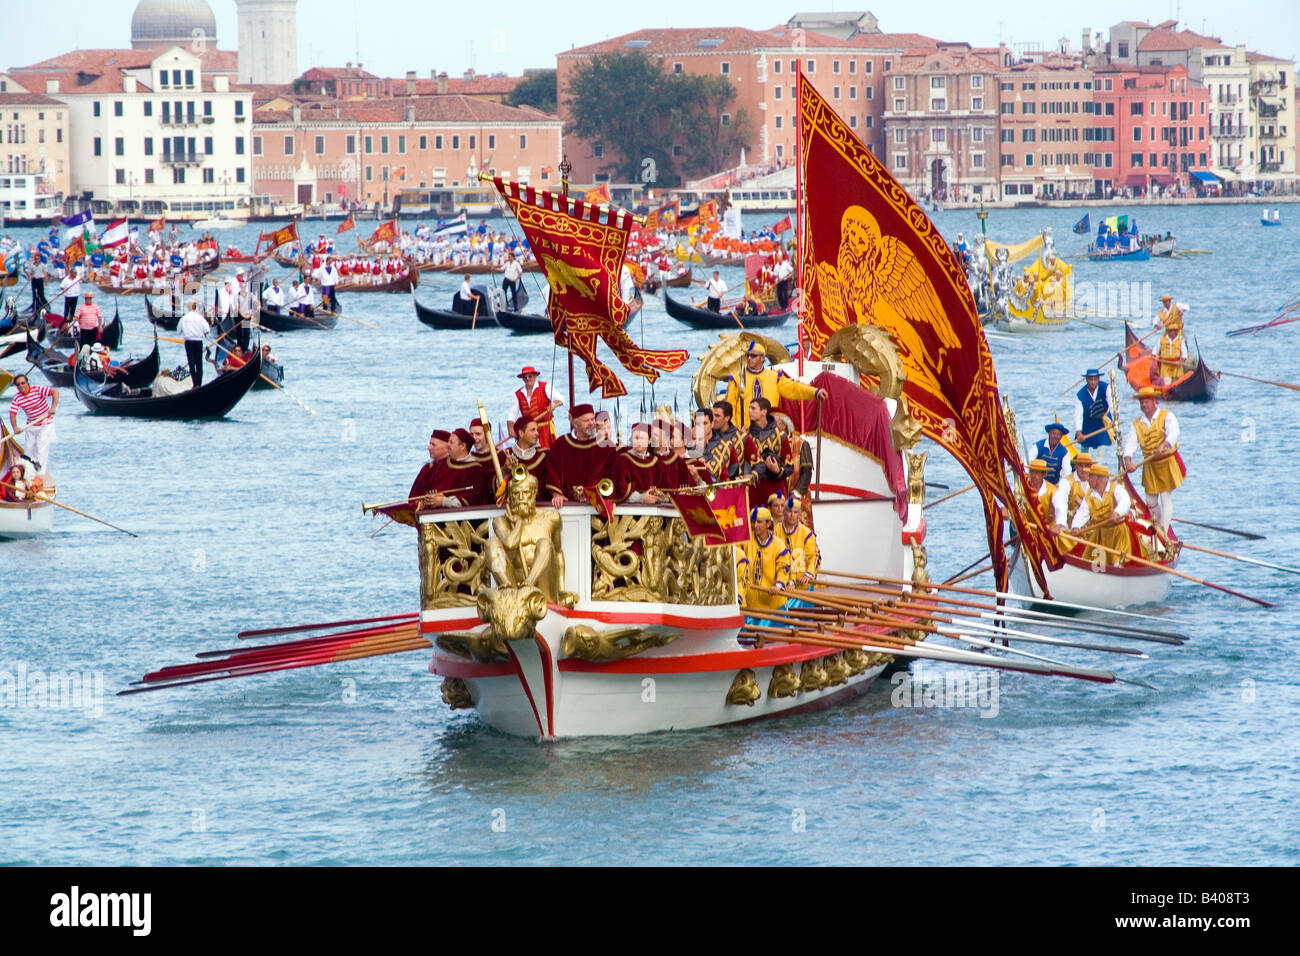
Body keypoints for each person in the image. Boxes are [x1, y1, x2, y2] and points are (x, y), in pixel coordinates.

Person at [722, 340, 826, 431]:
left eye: (753, 356)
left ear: (762, 358)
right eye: (747, 355)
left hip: (769, 430)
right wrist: (735, 430)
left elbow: (794, 388)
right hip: (744, 432)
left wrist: (814, 392)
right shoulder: (736, 379)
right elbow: (729, 407)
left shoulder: (774, 377)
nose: (749, 358)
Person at [1122, 386, 1184, 533]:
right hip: (1150, 464)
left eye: (1147, 402)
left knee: (1165, 496)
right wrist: (1128, 461)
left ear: (1154, 402)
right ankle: (1159, 524)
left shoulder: (1166, 416)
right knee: (1150, 501)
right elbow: (1130, 443)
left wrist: (1163, 445)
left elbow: (1174, 432)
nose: (1144, 405)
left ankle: (1163, 529)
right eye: (1142, 403)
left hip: (1166, 462)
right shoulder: (1137, 424)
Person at [543, 403, 618, 508]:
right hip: (567, 505)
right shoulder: (561, 444)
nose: (591, 423)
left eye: (592, 419)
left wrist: (592, 492)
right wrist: (557, 494)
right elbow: (552, 471)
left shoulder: (607, 446)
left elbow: (612, 475)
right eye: (586, 421)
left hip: (596, 506)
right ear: (575, 424)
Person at [735, 506, 793, 632]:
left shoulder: (778, 545)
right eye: (753, 522)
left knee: (775, 641)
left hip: (773, 604)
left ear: (768, 524)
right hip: (751, 605)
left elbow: (784, 568)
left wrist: (779, 584)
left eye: (759, 522)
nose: (755, 525)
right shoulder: (746, 541)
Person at [1069, 462, 1133, 566]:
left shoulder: (1115, 488)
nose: (1088, 479)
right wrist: (1076, 526)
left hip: (1117, 533)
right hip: (1100, 534)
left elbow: (1125, 501)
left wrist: (1117, 513)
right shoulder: (1089, 494)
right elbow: (1083, 512)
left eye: (1090, 476)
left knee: (1118, 562)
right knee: (1094, 563)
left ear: (1097, 478)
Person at [743, 396, 792, 508]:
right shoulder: (745, 435)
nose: (749, 411)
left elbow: (790, 468)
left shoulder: (781, 436)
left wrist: (778, 470)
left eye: (753, 408)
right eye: (749, 408)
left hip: (775, 487)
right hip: (754, 489)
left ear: (764, 412)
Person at [7, 374, 58, 472]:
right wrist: (15, 428)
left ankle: (40, 474)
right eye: (18, 385)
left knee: (40, 448)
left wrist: (53, 408)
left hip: (46, 423)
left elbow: (55, 392)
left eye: (23, 383)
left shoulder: (37, 389)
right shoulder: (17, 398)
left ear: (27, 383)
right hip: (31, 424)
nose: (21, 386)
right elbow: (12, 414)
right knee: (28, 451)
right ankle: (28, 472)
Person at [776, 493, 820, 590]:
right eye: (789, 511)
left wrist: (808, 574)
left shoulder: (806, 533)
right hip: (781, 584)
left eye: (795, 512)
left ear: (799, 514)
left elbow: (813, 556)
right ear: (784, 513)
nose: (792, 515)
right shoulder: (775, 531)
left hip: (801, 583)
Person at [511, 366, 560, 449]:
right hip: (528, 431)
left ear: (535, 376)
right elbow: (511, 416)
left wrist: (553, 405)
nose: (527, 379)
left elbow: (560, 399)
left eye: (530, 376)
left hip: (545, 429)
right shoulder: (518, 394)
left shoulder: (545, 387)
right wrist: (511, 430)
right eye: (525, 377)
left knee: (547, 452)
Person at [615, 423, 662, 503]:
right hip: (631, 510)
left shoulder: (656, 462)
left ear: (649, 441)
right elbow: (620, 489)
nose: (638, 441)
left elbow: (663, 487)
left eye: (642, 438)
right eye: (636, 438)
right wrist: (641, 498)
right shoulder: (623, 460)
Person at [702, 400, 744, 482]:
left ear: (727, 418)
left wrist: (748, 476)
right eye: (712, 415)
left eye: (717, 416)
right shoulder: (707, 437)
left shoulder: (742, 437)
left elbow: (758, 464)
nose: (713, 419)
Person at [1072, 369, 1112, 450]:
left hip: (1103, 421)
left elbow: (1112, 405)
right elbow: (1078, 415)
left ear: (1098, 379)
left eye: (1095, 379)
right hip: (1088, 422)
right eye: (1090, 379)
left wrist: (1115, 421)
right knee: (1084, 448)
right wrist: (1079, 433)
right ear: (1086, 380)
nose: (1093, 382)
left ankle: (1100, 462)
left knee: (1102, 446)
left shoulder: (1106, 388)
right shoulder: (1080, 395)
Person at [409, 428, 452, 501]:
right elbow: (413, 498)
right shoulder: (427, 469)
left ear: (447, 448)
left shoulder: (456, 467)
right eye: (430, 444)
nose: (429, 448)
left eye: (433, 445)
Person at [178, 298, 210, 388]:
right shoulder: (200, 318)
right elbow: (207, 329)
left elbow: (178, 331)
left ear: (188, 307)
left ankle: (195, 384)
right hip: (198, 342)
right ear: (195, 307)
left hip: (189, 342)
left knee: (191, 363)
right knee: (199, 363)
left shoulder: (184, 318)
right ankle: (199, 384)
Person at [72, 289, 103, 353]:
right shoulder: (81, 307)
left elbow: (99, 317)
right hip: (84, 330)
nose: (88, 300)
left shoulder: (96, 307)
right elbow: (75, 317)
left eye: (89, 298)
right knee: (84, 346)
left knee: (93, 345)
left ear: (91, 299)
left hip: (93, 330)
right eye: (87, 298)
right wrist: (76, 318)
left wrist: (100, 326)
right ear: (85, 299)